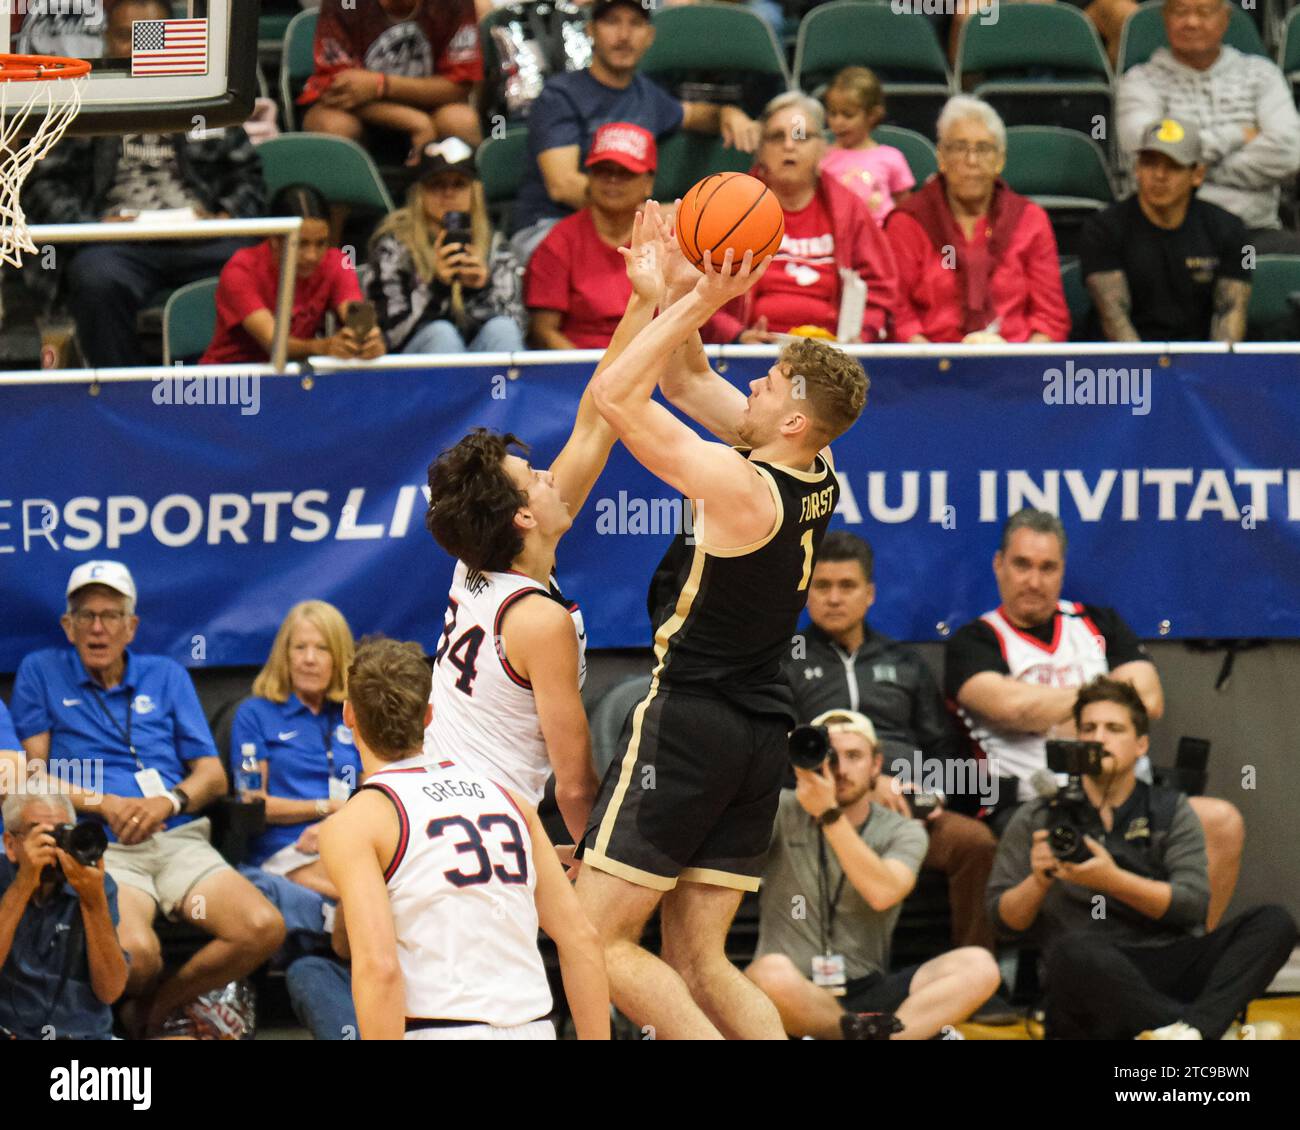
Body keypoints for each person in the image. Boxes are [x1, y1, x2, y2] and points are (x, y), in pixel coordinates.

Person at [575, 204, 869, 1039]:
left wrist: (700, 300)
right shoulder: (816, 464)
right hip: (758, 731)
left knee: (595, 939)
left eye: (771, 383)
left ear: (791, 423)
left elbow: (617, 395)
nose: (754, 385)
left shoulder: (744, 489)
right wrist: (672, 286)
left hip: (693, 723)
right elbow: (680, 381)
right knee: (702, 963)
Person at [422, 205, 680, 842]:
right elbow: (571, 780)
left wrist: (644, 299)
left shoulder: (484, 556)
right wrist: (589, 863)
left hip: (435, 803)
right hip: (476, 826)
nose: (549, 476)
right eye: (534, 477)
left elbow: (599, 414)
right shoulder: (539, 619)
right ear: (524, 515)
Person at [8, 561, 285, 1037]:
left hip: (177, 840)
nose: (98, 628)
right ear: (67, 626)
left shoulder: (167, 675)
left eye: (112, 615)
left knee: (262, 927)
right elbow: (33, 775)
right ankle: (145, 1015)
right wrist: (105, 803)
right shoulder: (42, 671)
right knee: (138, 954)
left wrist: (170, 802)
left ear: (131, 626)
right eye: (86, 615)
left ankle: (156, 1011)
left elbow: (212, 776)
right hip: (104, 848)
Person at [944, 508, 1245, 930]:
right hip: (1039, 805)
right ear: (999, 565)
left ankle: (1192, 957)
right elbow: (1012, 708)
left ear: (1062, 570)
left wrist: (1051, 708)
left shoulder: (1099, 624)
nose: (1033, 580)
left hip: (1131, 801)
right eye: (1022, 565)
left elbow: (1150, 700)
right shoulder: (975, 641)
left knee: (1221, 820)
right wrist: (1106, 700)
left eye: (1047, 567)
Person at [318, 637, 610, 1040]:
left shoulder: (356, 823)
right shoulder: (510, 799)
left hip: (440, 1028)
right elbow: (581, 939)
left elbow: (379, 968)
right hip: (533, 1027)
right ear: (429, 716)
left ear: (348, 715)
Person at [986, 677, 1296, 1040]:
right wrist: (1037, 881)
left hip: (1166, 959)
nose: (1099, 738)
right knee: (1072, 951)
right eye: (1088, 728)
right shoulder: (1039, 815)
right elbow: (1001, 921)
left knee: (1274, 922)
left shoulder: (1169, 809)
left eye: (1113, 728)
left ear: (1141, 745)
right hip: (1089, 972)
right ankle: (1206, 1031)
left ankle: (1185, 1030)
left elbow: (1192, 905)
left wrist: (1111, 881)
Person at [18, 0, 266, 369]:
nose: (137, 46)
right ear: (105, 40)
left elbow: (248, 174)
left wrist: (223, 214)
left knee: (248, 266)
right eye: (124, 37)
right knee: (96, 277)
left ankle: (220, 382)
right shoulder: (81, 100)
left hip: (201, 237)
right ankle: (121, 389)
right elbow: (44, 185)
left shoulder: (206, 97)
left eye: (151, 36)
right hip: (117, 244)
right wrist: (93, 226)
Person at [784, 531, 998, 953]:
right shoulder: (785, 663)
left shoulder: (903, 662)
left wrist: (930, 794)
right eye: (821, 586)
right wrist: (859, 784)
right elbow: (772, 750)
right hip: (820, 808)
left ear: (869, 594)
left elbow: (942, 746)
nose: (833, 597)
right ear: (806, 594)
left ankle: (980, 972)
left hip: (905, 809)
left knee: (976, 843)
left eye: (847, 586)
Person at [747, 710, 1000, 1039]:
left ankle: (870, 1035)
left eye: (854, 755)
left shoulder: (903, 829)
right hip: (796, 994)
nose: (841, 767)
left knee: (979, 965)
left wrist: (829, 814)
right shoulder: (781, 809)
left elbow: (883, 892)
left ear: (876, 766)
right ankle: (861, 1034)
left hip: (869, 989)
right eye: (830, 755)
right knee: (767, 973)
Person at [509, 0, 760, 262]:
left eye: (635, 23)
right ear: (590, 30)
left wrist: (727, 113)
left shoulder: (647, 94)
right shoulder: (560, 95)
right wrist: (651, 215)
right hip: (550, 225)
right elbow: (564, 186)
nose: (624, 35)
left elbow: (695, 115)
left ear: (649, 36)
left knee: (706, 255)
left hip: (623, 227)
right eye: (612, 22)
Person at [709, 93, 898, 345]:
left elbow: (880, 288)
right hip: (750, 353)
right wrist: (735, 335)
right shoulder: (732, 207)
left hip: (833, 354)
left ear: (822, 148)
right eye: (777, 137)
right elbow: (696, 288)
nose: (789, 145)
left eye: (801, 136)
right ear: (761, 150)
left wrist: (860, 337)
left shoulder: (849, 208)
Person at [1117, 0, 1300, 254]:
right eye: (1180, 12)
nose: (1191, 22)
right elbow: (1147, 149)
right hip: (1170, 230)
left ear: (1225, 19)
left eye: (1204, 12)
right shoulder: (1140, 80)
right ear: (1165, 17)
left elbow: (1289, 154)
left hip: (1254, 229)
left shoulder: (1262, 74)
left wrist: (1188, 168)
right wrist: (1237, 135)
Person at [884, 96, 1069, 344]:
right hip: (929, 367)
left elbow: (1050, 317)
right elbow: (898, 313)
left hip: (1016, 364)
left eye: (983, 149)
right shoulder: (909, 221)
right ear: (941, 158)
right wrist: (933, 366)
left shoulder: (1029, 219)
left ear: (999, 160)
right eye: (960, 148)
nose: (972, 161)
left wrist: (1020, 364)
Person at [230, 601, 361, 899]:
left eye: (322, 649)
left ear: (338, 657)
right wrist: (326, 807)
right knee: (360, 895)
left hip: (350, 841)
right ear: (284, 655)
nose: (309, 659)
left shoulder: (353, 713)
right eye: (299, 648)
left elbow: (377, 788)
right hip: (287, 850)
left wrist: (335, 825)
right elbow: (254, 802)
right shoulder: (255, 715)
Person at [1081, 118, 1251, 343]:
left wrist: (1214, 373)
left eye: (1173, 166)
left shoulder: (1229, 228)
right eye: (1149, 163)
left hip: (1198, 359)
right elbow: (1115, 319)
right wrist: (1146, 375)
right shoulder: (1103, 229)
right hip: (1125, 364)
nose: (1159, 176)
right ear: (1137, 169)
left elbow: (1230, 313)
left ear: (1197, 174)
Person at [366, 137, 526, 354]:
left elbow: (519, 326)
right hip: (412, 372)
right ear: (419, 193)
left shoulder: (495, 246)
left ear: (474, 192)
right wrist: (436, 288)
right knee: (441, 334)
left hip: (478, 368)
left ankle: (501, 390)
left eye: (459, 184)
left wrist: (481, 289)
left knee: (503, 329)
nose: (448, 193)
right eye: (437, 185)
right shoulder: (393, 247)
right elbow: (390, 336)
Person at [201, 184, 385, 365]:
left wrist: (368, 337)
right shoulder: (240, 270)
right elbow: (274, 344)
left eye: (321, 243)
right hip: (229, 383)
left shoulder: (337, 262)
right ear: (274, 239)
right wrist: (322, 347)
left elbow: (353, 308)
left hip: (291, 379)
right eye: (301, 244)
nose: (312, 256)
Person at [0, 783, 129, 1040]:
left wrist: (94, 903)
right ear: (11, 844)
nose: (54, 848)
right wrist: (23, 884)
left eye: (61, 835)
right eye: (41, 835)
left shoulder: (95, 884)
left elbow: (110, 991)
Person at [300, 0, 482, 155]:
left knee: (461, 122)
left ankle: (455, 194)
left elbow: (460, 85)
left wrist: (382, 85)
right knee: (333, 126)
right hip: (357, 109)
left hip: (430, 105)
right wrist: (414, 122)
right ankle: (347, 195)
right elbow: (335, 90)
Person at [820, 67, 915, 226]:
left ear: (872, 115)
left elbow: (906, 209)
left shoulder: (890, 157)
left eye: (848, 115)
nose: (838, 122)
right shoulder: (821, 157)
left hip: (881, 240)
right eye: (832, 113)